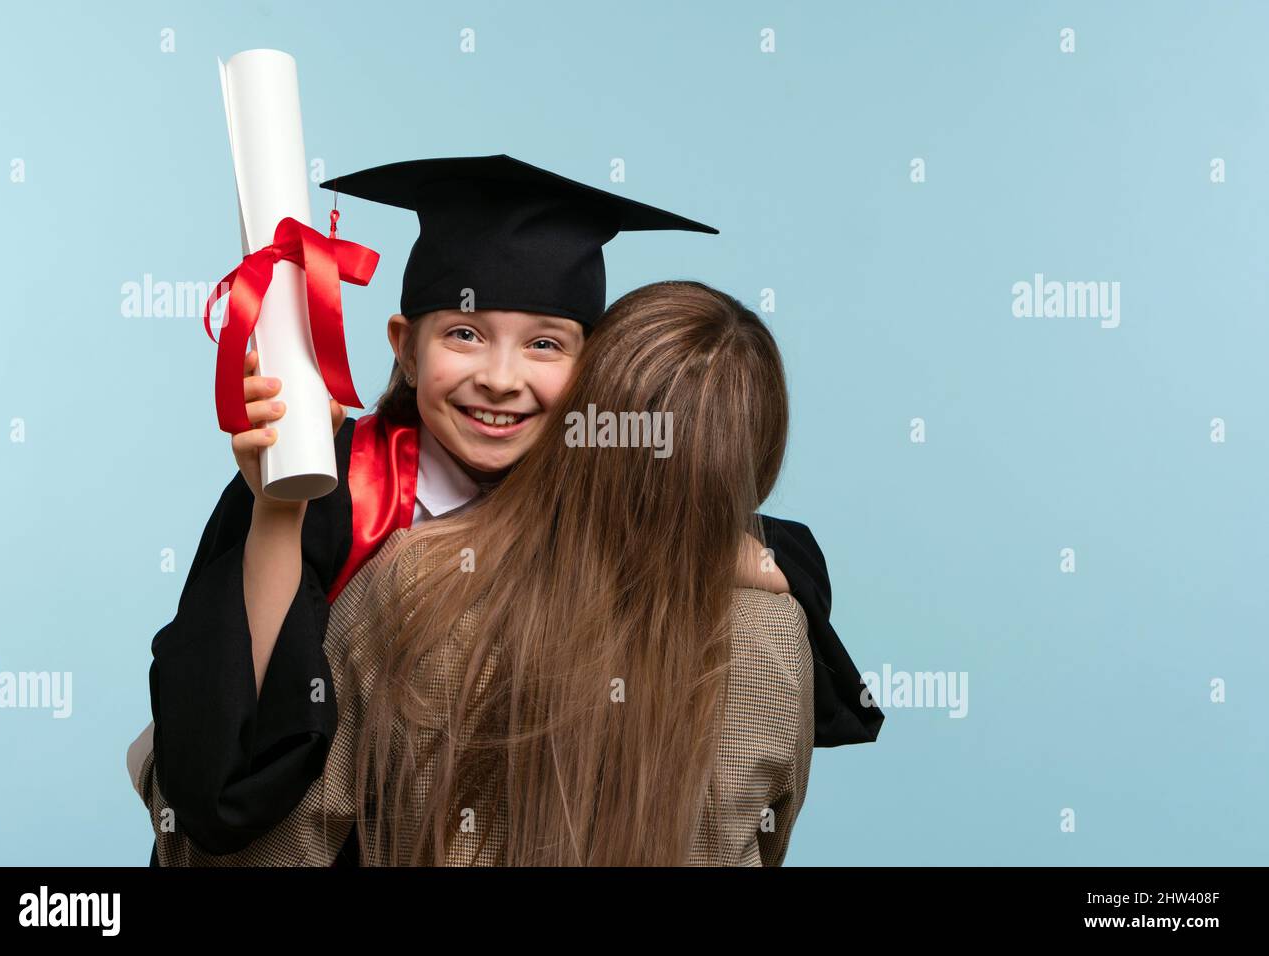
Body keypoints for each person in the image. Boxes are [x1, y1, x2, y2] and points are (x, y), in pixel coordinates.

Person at [134, 156, 883, 865]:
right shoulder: (339, 491)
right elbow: (229, 783)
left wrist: (705, 551)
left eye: (545, 345)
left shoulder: (622, 512)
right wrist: (278, 508)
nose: (500, 379)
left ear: (592, 372)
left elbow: (724, 536)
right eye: (464, 334)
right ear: (404, 347)